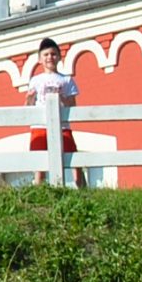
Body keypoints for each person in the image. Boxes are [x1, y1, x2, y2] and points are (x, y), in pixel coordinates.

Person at [24, 38, 86, 188]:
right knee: (40, 162)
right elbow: (28, 106)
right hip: (40, 126)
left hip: (62, 126)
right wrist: (29, 98)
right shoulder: (36, 80)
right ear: (40, 59)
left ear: (59, 57)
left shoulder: (66, 79)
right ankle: (39, 191)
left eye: (53, 54)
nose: (49, 58)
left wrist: (63, 98)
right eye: (45, 55)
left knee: (73, 158)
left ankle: (83, 189)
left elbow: (73, 104)